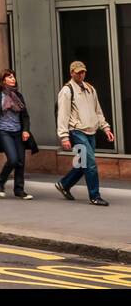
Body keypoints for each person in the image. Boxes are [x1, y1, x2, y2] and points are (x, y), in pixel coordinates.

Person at [55, 60, 115, 207]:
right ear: (71, 73)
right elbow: (62, 115)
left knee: (83, 164)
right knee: (91, 164)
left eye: (83, 72)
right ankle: (95, 196)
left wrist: (105, 128)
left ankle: (64, 184)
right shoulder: (67, 91)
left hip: (91, 131)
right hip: (76, 132)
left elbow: (98, 111)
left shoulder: (90, 89)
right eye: (78, 72)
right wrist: (64, 136)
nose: (81, 75)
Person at [0, 68, 34, 200]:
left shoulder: (18, 95)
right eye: (9, 76)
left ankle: (19, 190)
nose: (13, 78)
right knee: (13, 159)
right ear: (3, 79)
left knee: (21, 161)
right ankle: (0, 181)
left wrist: (26, 130)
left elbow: (25, 115)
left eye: (13, 76)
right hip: (3, 131)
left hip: (18, 131)